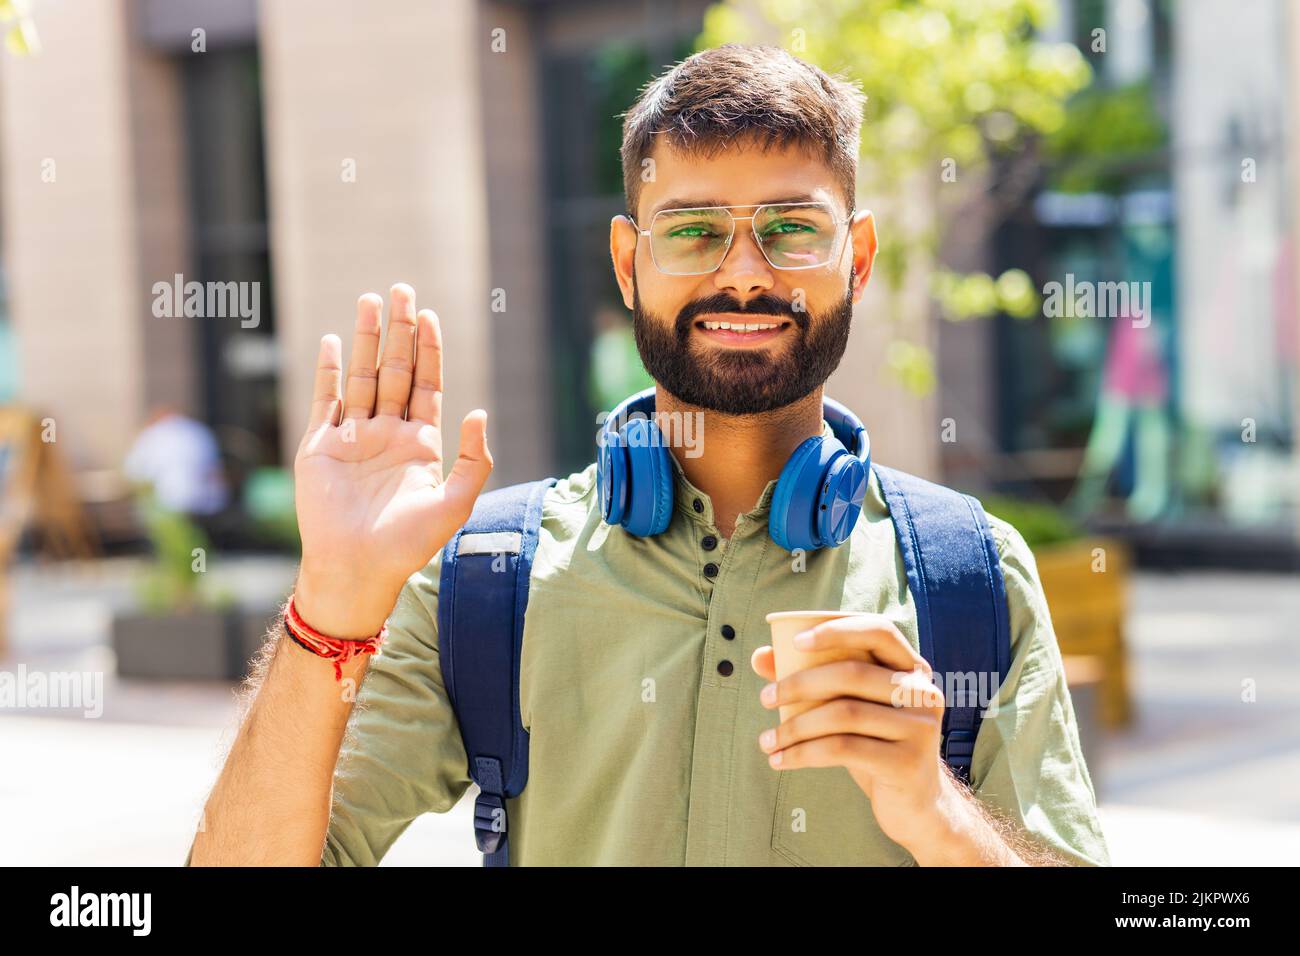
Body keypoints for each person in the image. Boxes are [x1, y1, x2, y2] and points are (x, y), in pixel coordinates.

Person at [190, 44, 1109, 867]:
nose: (743, 273)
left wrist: (939, 817)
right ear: (628, 264)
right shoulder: (484, 581)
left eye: (792, 229)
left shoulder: (970, 577)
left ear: (858, 259)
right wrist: (333, 598)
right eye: (693, 230)